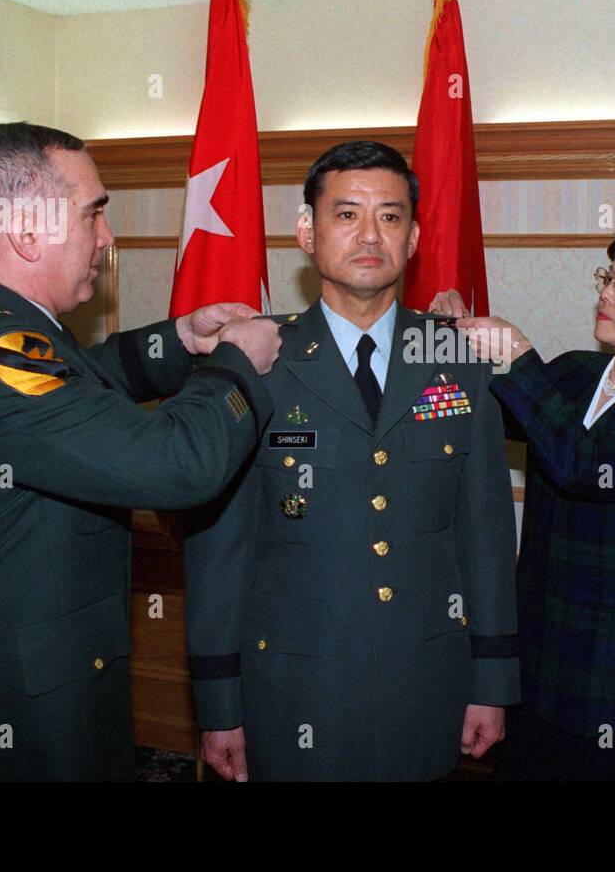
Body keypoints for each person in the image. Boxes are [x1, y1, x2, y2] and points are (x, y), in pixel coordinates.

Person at [0, 122, 282, 781]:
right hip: (7, 725)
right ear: (29, 232)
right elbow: (175, 465)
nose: (107, 239)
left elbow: (76, 384)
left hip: (15, 691)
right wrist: (236, 367)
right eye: (94, 215)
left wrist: (178, 339)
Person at [185, 141, 519, 781]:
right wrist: (218, 702)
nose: (371, 235)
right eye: (346, 214)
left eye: (391, 217)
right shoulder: (256, 359)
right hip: (291, 689)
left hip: (424, 686)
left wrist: (492, 680)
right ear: (306, 232)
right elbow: (221, 547)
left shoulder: (459, 359)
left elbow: (484, 536)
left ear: (415, 236)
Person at [432, 216, 615, 781]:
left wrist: (517, 351)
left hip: (613, 684)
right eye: (607, 277)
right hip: (532, 670)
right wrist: (445, 341)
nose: (606, 294)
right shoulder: (573, 374)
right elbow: (457, 417)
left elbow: (585, 465)